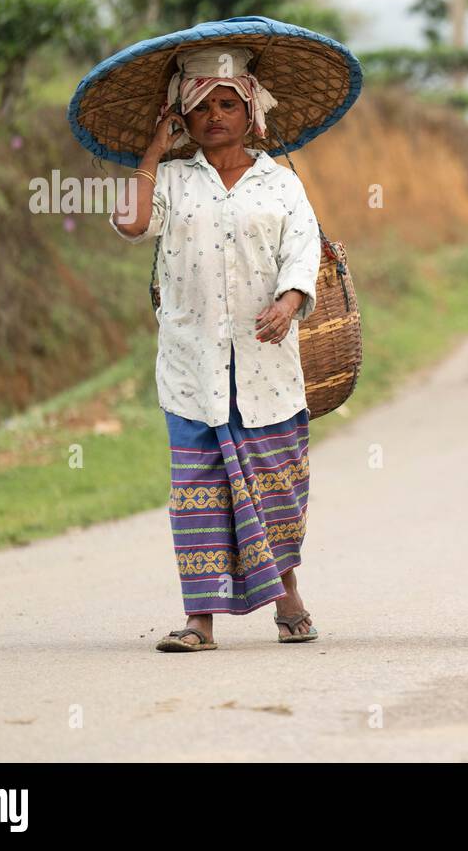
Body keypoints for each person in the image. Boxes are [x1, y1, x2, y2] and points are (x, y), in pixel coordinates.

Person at [108, 46, 322, 651]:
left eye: (229, 104)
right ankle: (199, 621)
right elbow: (129, 222)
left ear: (252, 112)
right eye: (201, 107)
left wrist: (288, 301)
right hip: (190, 369)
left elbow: (303, 252)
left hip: (266, 369)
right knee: (199, 496)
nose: (216, 116)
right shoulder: (173, 180)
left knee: (268, 491)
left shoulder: (282, 184)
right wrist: (153, 149)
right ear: (183, 116)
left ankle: (288, 598)